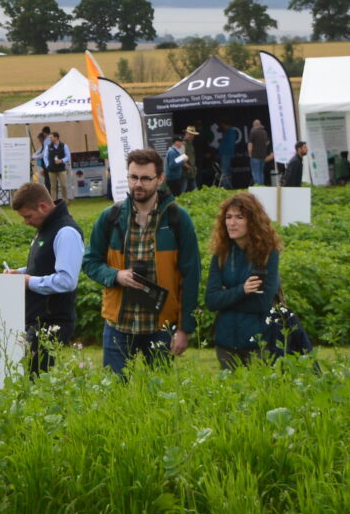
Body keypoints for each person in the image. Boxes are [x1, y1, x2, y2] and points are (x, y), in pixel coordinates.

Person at [82, 148, 200, 374]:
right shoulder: (111, 217)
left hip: (160, 325)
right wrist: (116, 275)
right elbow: (90, 262)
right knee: (115, 393)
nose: (138, 184)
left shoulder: (177, 218)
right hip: (119, 324)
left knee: (159, 398)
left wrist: (185, 328)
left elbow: (191, 275)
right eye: (133, 177)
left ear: (160, 179)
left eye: (146, 178)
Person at [4, 181, 81, 375]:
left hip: (53, 320)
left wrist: (29, 281)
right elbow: (43, 266)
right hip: (38, 318)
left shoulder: (66, 232)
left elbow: (66, 280)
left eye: (28, 216)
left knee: (35, 378)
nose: (26, 222)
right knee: (26, 374)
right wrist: (20, 273)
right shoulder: (46, 227)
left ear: (43, 206)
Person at [204, 192, 281, 371]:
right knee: (229, 396)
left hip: (259, 342)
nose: (231, 223)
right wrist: (242, 290)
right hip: (226, 342)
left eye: (239, 217)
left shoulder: (268, 253)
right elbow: (212, 300)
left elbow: (262, 302)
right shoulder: (221, 254)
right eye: (228, 217)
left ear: (252, 221)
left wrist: (226, 298)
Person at [215, 123, 242, 190]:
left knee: (224, 171)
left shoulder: (231, 132)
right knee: (225, 171)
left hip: (226, 154)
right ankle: (226, 185)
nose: (222, 128)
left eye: (223, 126)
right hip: (224, 154)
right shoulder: (228, 132)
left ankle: (226, 186)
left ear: (226, 124)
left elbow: (230, 144)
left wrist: (224, 152)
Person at [247, 119, 272, 187]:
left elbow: (250, 144)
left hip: (255, 155)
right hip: (263, 156)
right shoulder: (264, 132)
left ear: (254, 125)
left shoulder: (253, 132)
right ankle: (261, 186)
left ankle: (257, 186)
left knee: (255, 172)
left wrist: (250, 153)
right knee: (261, 172)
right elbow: (267, 142)